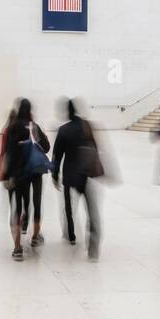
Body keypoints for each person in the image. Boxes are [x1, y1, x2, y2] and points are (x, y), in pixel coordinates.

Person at [0, 98, 50, 261]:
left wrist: (6, 175)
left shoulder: (12, 128)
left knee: (17, 209)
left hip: (19, 173)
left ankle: (18, 248)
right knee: (37, 202)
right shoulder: (34, 127)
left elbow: (9, 152)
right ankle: (35, 236)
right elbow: (47, 147)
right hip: (35, 170)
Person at [51, 99, 101, 259]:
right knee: (91, 210)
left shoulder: (64, 130)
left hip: (69, 175)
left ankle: (71, 236)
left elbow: (57, 155)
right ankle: (93, 247)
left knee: (69, 208)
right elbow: (95, 148)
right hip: (86, 173)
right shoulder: (87, 126)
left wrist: (54, 174)